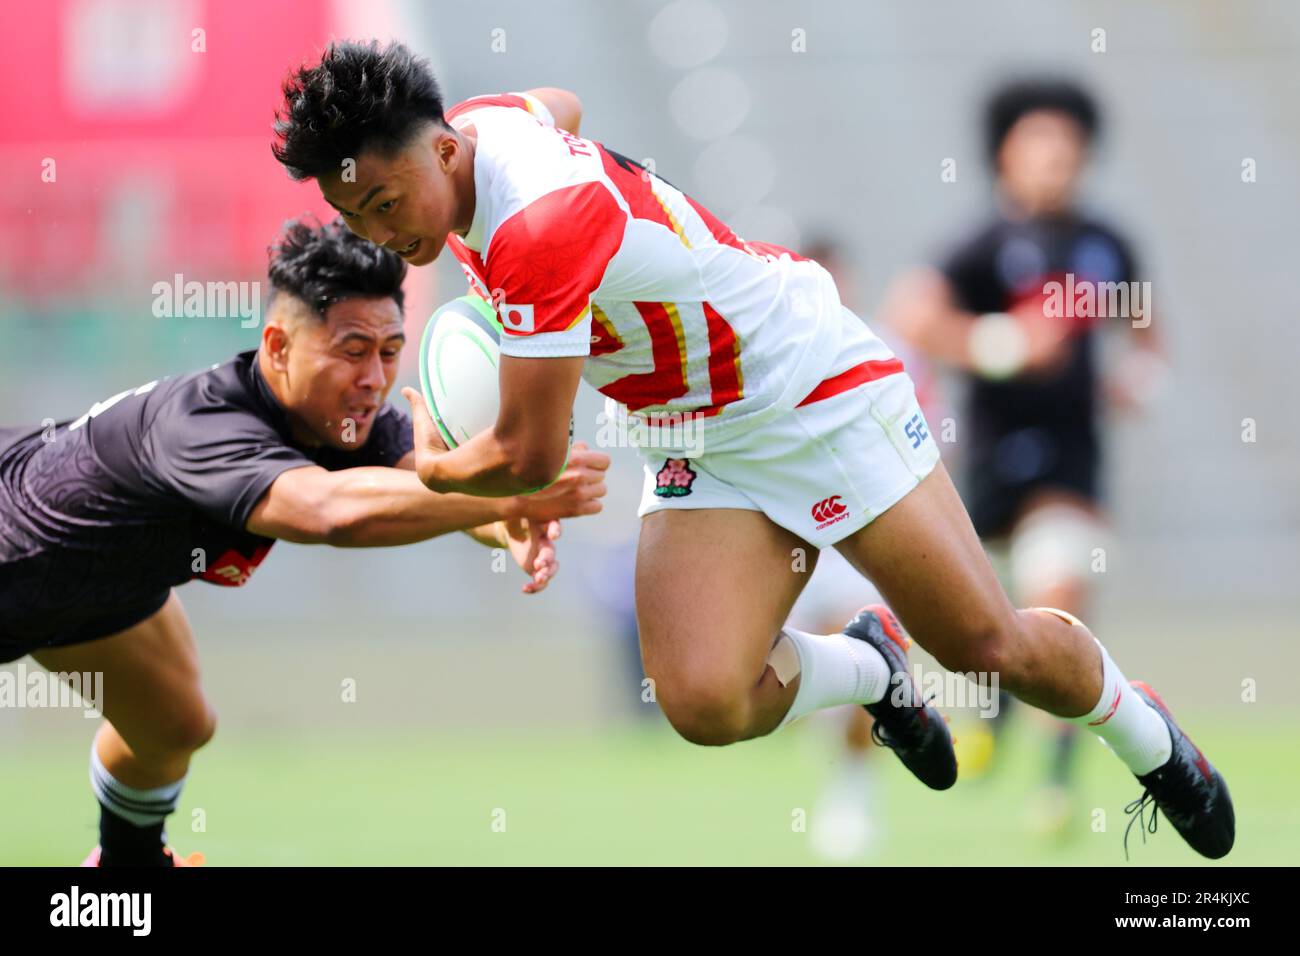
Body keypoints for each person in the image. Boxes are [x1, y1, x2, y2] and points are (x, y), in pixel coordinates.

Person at [272, 40, 1234, 859]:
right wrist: (489, 454)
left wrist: (436, 467)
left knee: (986, 646)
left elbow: (528, 455)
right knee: (703, 700)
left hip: (808, 389)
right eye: (359, 219)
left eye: (389, 203)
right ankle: (871, 672)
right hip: (696, 430)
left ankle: (1145, 736)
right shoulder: (480, 131)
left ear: (443, 149)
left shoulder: (541, 224)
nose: (384, 236)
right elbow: (555, 104)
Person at [0, 216, 609, 866]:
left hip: (97, 584)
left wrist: (501, 519)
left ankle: (127, 871)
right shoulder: (205, 425)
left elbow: (432, 488)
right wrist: (514, 491)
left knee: (174, 723)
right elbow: (329, 513)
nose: (374, 377)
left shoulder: (344, 419)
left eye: (389, 350)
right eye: (352, 350)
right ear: (279, 345)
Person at [880, 78, 1168, 835]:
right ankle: (994, 709)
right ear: (1005, 155)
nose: (1054, 159)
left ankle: (1058, 778)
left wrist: (1140, 376)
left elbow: (1146, 325)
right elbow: (911, 312)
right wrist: (998, 345)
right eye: (1037, 144)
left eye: (1067, 146)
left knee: (1060, 589)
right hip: (990, 457)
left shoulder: (1105, 244)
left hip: (1073, 461)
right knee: (996, 615)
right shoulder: (979, 244)